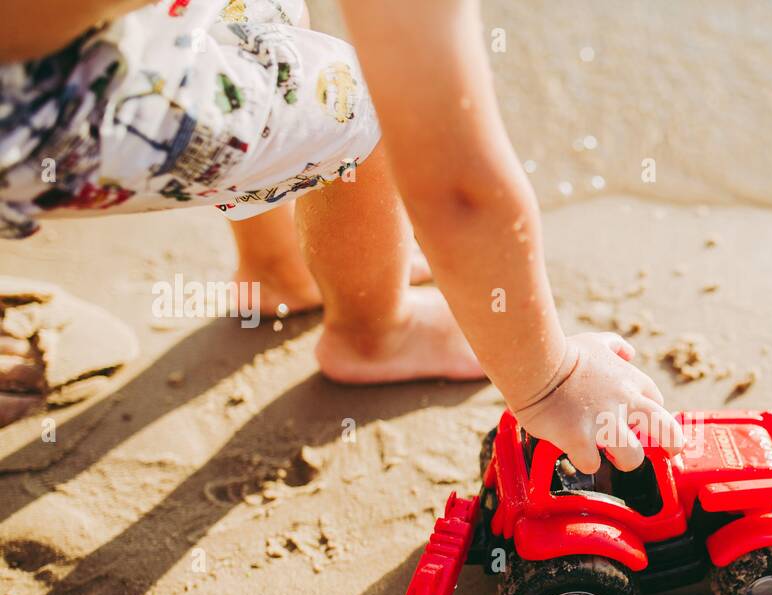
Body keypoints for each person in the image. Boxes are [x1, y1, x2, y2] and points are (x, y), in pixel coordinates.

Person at [0, 0, 683, 471]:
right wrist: (550, 382)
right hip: (28, 98)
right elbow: (455, 187)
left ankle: (278, 271)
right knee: (362, 104)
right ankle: (372, 332)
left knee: (259, 30)